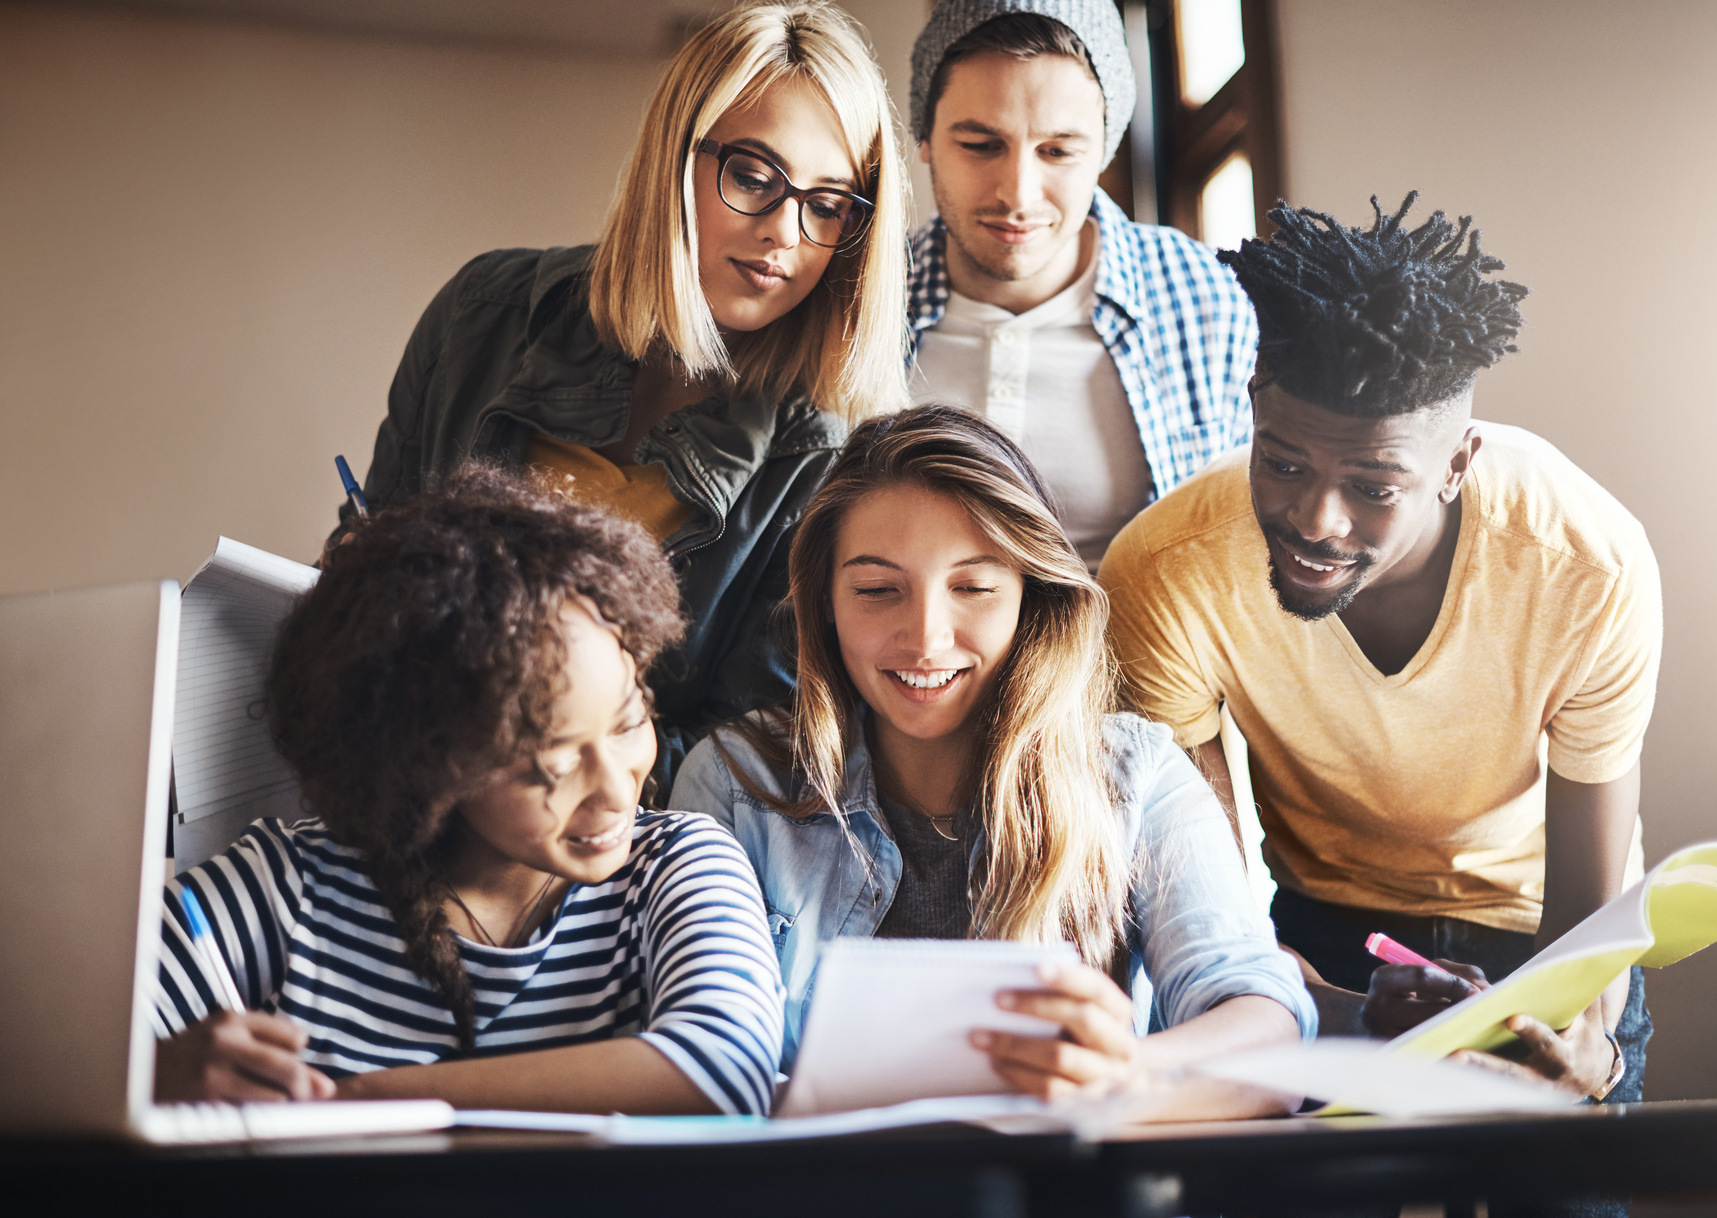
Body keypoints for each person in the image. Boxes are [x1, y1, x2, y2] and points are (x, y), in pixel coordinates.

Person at [1100, 195, 1659, 1130]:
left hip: (1545, 928)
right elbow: (1218, 921)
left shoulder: (1584, 565)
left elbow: (1587, 907)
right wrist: (1358, 1019)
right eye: (1281, 465)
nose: (1317, 520)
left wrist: (1578, 1045)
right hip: (1320, 922)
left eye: (1372, 488)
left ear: (1456, 463)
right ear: (1253, 416)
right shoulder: (1165, 572)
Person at [332, 2, 912, 800]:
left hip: (622, 859)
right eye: (753, 176)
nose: (785, 231)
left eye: (826, 204)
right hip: (396, 803)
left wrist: (513, 756)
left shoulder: (824, 459)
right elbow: (362, 582)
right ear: (673, 157)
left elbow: (738, 758)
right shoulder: (483, 312)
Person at [671, 405, 1313, 1119]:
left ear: (1031, 599)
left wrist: (1127, 1072)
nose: (924, 638)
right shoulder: (735, 782)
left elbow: (1266, 1022)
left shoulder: (1137, 776)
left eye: (973, 587)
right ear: (824, 604)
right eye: (877, 590)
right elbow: (697, 1062)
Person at [153, 467, 784, 1116]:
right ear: (424, 758)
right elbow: (59, 1060)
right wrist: (154, 1074)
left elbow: (725, 1072)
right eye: (551, 765)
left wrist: (353, 1100)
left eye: (628, 722)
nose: (612, 792)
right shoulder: (288, 888)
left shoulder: (675, 864)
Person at [904, 0, 1257, 571]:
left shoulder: (1212, 301)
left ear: (1105, 148)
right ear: (925, 136)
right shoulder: (857, 300)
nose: (1017, 195)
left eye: (1058, 151)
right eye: (980, 145)